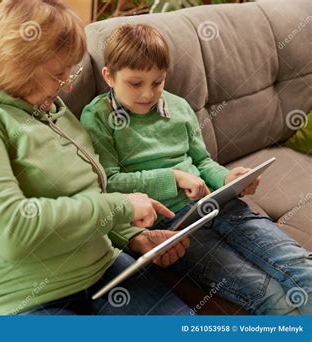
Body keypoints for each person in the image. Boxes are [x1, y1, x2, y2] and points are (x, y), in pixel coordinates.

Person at [0, 0, 192, 315]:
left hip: (100, 272)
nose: (67, 84)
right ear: (18, 62)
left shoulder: (48, 109)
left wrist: (133, 236)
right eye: (59, 74)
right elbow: (11, 231)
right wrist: (121, 207)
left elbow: (85, 196)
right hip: (7, 301)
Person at [80, 23, 312, 315]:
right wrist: (173, 178)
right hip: (171, 227)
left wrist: (227, 178)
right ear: (109, 77)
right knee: (267, 293)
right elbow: (110, 184)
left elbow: (202, 162)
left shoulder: (178, 108)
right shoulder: (98, 118)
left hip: (217, 205)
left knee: (299, 266)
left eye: (158, 82)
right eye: (135, 83)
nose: (148, 94)